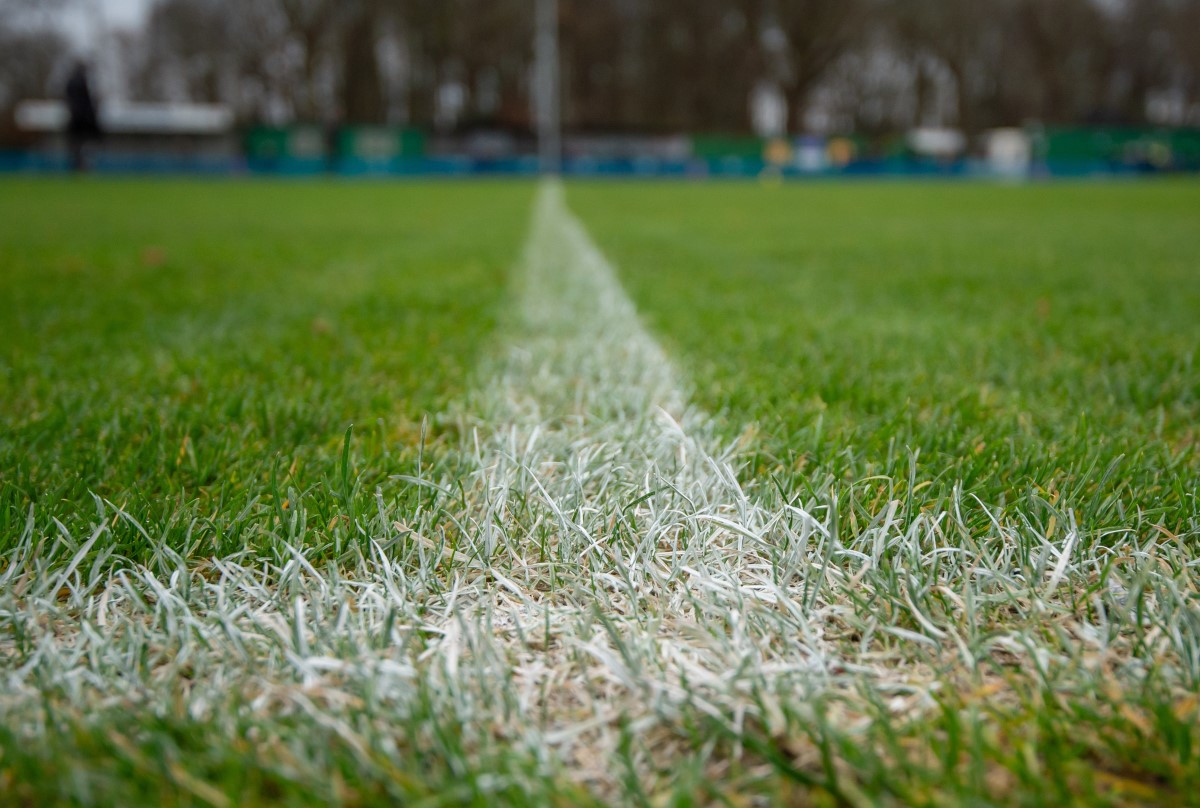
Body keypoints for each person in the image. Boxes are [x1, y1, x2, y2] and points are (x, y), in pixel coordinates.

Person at [64, 61, 101, 172]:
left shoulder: (71, 82)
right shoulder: (83, 82)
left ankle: (78, 166)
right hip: (83, 119)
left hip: (75, 118)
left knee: (76, 144)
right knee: (84, 143)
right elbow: (88, 101)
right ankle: (82, 166)